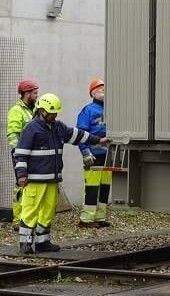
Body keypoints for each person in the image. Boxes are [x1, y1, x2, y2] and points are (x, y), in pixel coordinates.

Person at [14, 93, 109, 255]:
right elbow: (21, 153)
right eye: (52, 113)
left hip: (52, 179)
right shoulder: (31, 129)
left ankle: (43, 242)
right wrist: (21, 175)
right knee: (30, 210)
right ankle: (25, 243)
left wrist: (97, 140)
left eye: (55, 113)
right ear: (42, 111)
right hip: (35, 180)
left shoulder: (58, 127)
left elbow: (77, 134)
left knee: (48, 211)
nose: (54, 116)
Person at [76, 78, 111, 228]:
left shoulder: (111, 109)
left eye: (105, 89)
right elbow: (80, 134)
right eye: (101, 89)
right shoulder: (88, 110)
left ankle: (100, 217)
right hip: (94, 155)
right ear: (93, 93)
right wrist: (85, 152)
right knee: (92, 187)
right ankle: (86, 219)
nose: (104, 91)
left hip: (108, 155)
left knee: (104, 187)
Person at [6, 79, 39, 230]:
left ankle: (29, 217)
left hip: (34, 155)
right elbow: (13, 134)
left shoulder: (34, 110)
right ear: (26, 94)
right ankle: (18, 219)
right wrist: (17, 153)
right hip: (21, 155)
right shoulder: (16, 111)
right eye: (34, 93)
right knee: (21, 185)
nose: (37, 95)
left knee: (32, 187)